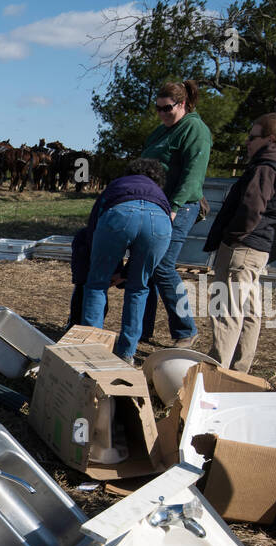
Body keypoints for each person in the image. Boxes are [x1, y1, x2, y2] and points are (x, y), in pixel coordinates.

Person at [203, 114, 276, 373]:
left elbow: (251, 209)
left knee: (226, 312)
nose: (247, 142)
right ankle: (238, 372)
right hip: (256, 249)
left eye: (253, 137)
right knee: (248, 311)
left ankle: (216, 374)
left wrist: (231, 240)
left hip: (241, 249)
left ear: (270, 139)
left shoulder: (264, 167)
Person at [139, 79, 211, 348]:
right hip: (154, 204)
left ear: (182, 104)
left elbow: (193, 174)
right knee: (146, 265)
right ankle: (140, 329)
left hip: (180, 206)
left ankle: (186, 330)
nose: (161, 114)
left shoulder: (194, 129)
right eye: (157, 109)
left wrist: (174, 206)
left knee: (162, 265)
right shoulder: (161, 131)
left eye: (167, 108)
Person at [79, 158, 173, 362]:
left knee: (96, 285)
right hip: (160, 222)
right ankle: (127, 353)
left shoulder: (118, 185)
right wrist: (126, 273)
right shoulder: (160, 194)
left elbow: (93, 226)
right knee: (139, 288)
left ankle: (91, 351)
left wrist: (105, 266)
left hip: (119, 214)